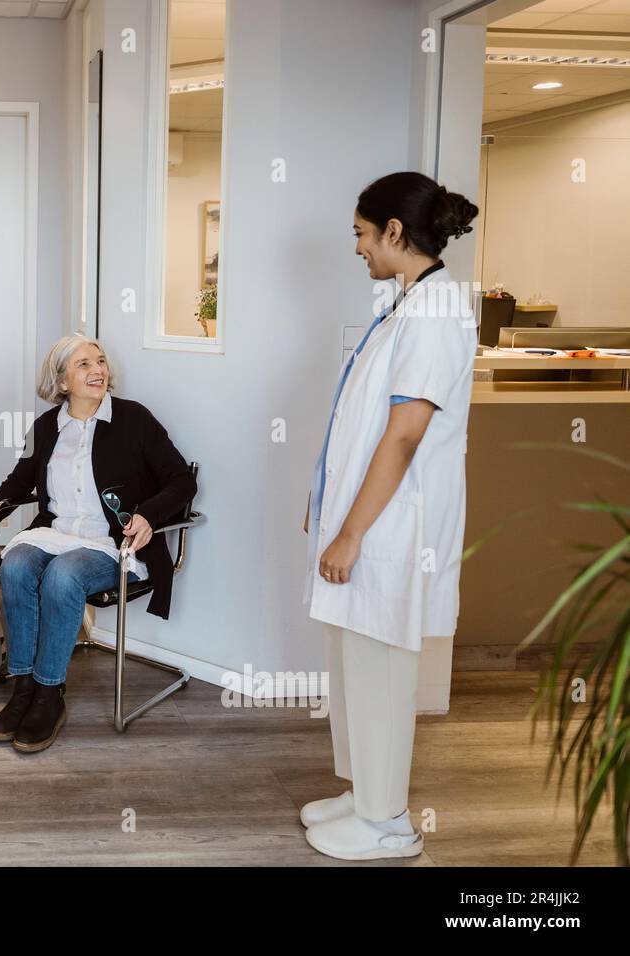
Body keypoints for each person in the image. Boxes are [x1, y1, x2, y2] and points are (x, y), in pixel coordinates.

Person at [300, 171, 479, 861]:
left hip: (391, 529)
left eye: (360, 234)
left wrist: (350, 532)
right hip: (367, 520)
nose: (357, 248)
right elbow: (362, 420)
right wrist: (327, 505)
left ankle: (388, 823)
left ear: (394, 233)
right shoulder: (410, 303)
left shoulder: (435, 315)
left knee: (379, 666)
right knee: (355, 662)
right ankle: (364, 792)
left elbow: (404, 435)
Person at [0, 335, 195, 753]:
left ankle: (49, 694)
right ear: (62, 380)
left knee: (62, 576)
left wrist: (147, 515)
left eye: (100, 361)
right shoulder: (45, 427)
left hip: (111, 542)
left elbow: (181, 479)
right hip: (56, 532)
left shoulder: (133, 419)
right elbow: (16, 483)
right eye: (84, 364)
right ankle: (23, 686)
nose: (97, 370)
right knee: (13, 564)